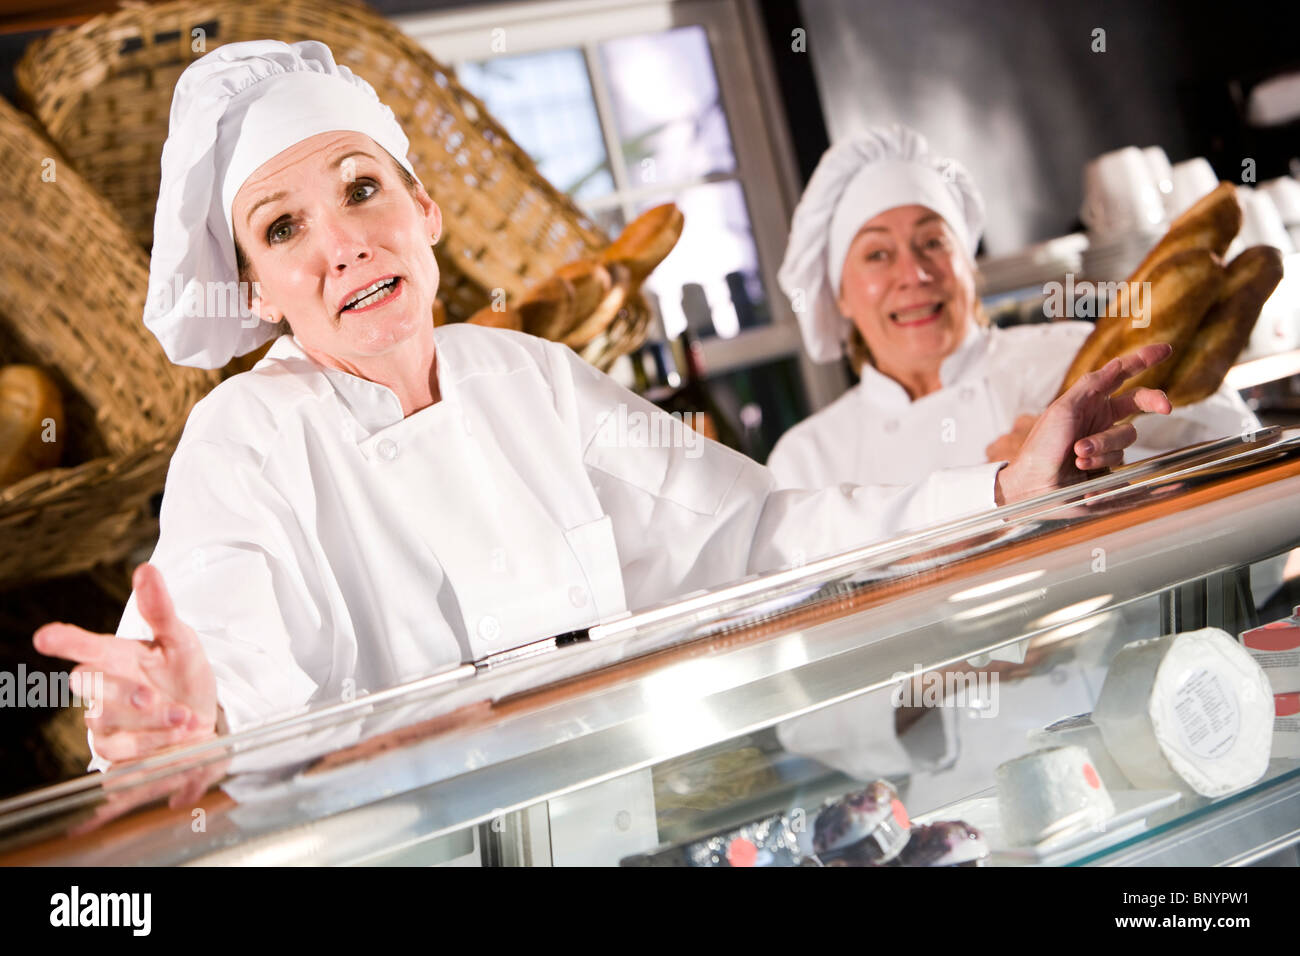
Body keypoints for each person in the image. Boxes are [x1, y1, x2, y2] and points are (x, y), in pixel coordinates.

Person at [32, 44, 1172, 774]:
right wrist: (185, 723)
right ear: (255, 291)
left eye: (362, 187)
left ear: (425, 211)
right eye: (282, 228)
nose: (341, 244)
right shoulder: (247, 439)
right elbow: (206, 667)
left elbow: (758, 535)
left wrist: (1002, 487)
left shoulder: (528, 377)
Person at [768, 125, 1261, 813]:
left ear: (967, 258)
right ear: (840, 294)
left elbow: (1239, 452)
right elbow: (796, 703)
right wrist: (947, 671)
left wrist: (1115, 461)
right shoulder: (806, 459)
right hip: (969, 810)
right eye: (877, 253)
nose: (913, 274)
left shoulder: (1068, 357)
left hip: (1150, 743)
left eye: (933, 241)